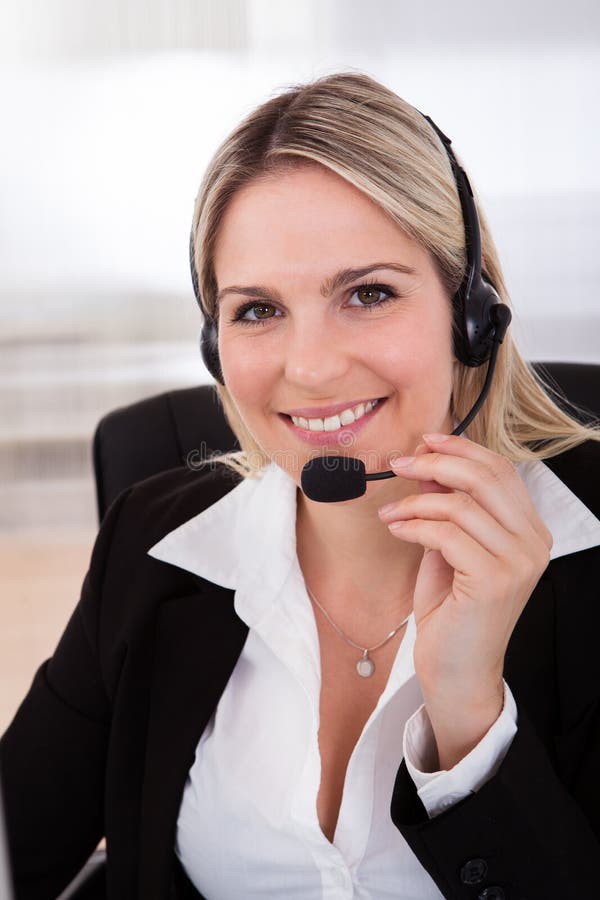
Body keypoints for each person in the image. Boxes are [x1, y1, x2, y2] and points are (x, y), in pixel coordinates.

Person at [2, 71, 600, 900]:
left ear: (473, 315)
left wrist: (469, 720)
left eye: (368, 293)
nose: (310, 367)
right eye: (257, 310)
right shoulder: (155, 549)